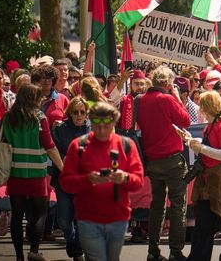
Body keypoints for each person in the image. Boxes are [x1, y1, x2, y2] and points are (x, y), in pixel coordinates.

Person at [59, 101, 144, 261]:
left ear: (114, 122)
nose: (102, 129)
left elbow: (138, 181)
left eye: (107, 124)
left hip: (118, 218)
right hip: (88, 218)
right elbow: (65, 182)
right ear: (91, 120)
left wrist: (124, 177)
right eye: (97, 124)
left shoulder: (126, 145)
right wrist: (88, 179)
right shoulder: (79, 146)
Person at [177, 91, 221, 261]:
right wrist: (192, 142)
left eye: (201, 105)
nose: (199, 108)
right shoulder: (211, 126)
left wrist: (201, 148)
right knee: (204, 227)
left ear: (206, 107)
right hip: (208, 183)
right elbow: (211, 151)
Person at [2, 84, 65, 261]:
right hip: (36, 173)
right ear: (33, 99)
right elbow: (50, 147)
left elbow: (3, 141)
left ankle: (19, 256)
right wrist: (63, 168)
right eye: (39, 97)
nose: (41, 100)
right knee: (40, 213)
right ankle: (34, 251)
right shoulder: (39, 118)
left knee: (17, 215)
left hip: (15, 172)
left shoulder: (9, 117)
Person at [135, 66, 191, 261]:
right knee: (177, 205)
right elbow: (185, 120)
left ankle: (153, 251)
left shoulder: (141, 100)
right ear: (168, 83)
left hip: (152, 160)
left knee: (157, 205)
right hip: (172, 160)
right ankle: (175, 251)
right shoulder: (167, 99)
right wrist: (176, 97)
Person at [50, 97, 91, 261]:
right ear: (70, 113)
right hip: (64, 179)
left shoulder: (93, 128)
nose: (79, 115)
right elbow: (54, 150)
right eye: (75, 112)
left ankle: (77, 252)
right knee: (64, 220)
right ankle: (71, 240)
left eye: (82, 112)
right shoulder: (60, 128)